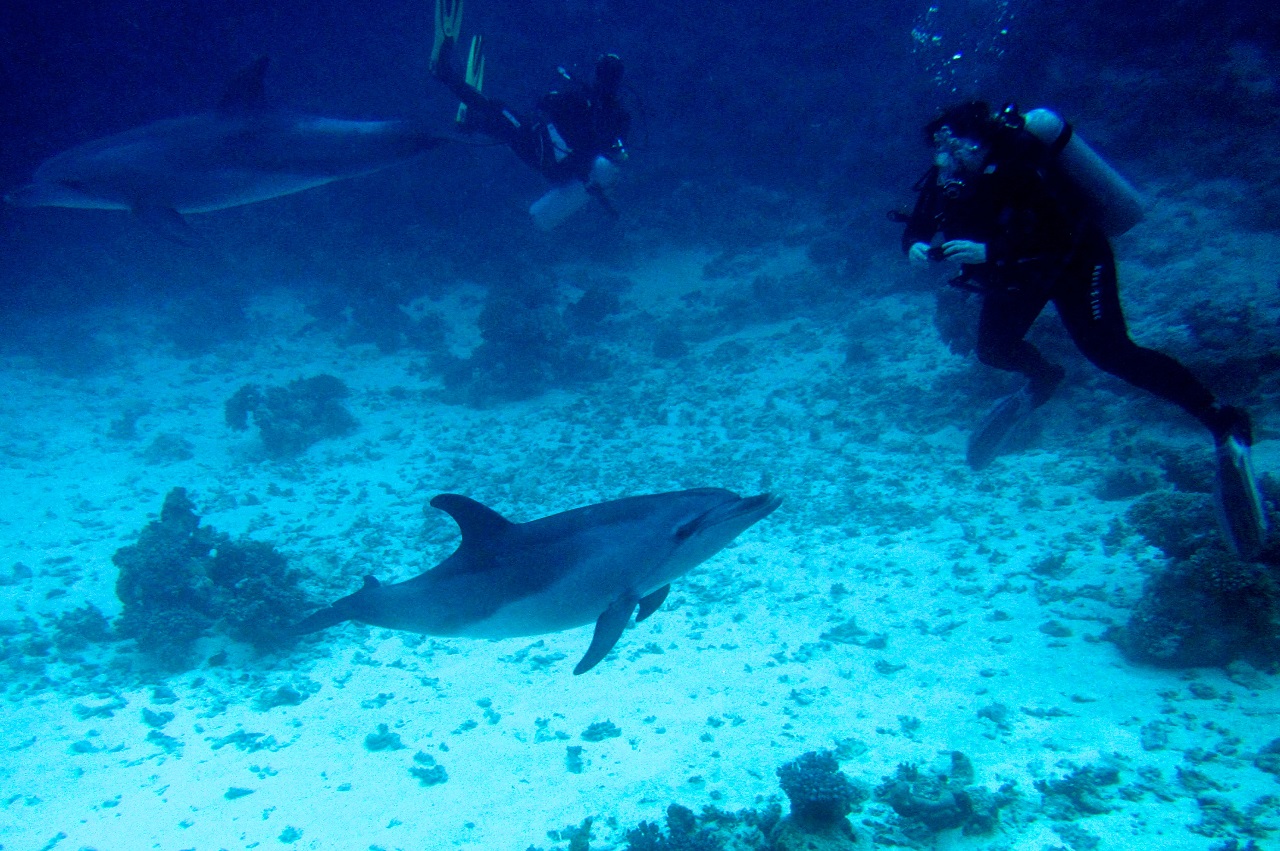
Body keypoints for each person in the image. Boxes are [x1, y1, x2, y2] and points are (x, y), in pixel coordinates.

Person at [901, 100, 1266, 557]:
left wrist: (989, 251)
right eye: (942, 148)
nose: (951, 156)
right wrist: (915, 245)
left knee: (1110, 351)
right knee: (994, 349)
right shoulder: (948, 178)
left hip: (1074, 263)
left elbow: (1061, 230)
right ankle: (1043, 379)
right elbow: (917, 223)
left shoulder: (1021, 164)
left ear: (985, 140)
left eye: (960, 144)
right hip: (1017, 274)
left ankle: (1222, 420)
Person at [429, 0, 631, 228]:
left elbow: (546, 103)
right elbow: (609, 151)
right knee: (509, 129)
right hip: (556, 168)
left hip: (542, 151)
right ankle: (470, 123)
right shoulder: (619, 115)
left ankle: (444, 73)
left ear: (598, 73)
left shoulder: (583, 99)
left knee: (499, 111)